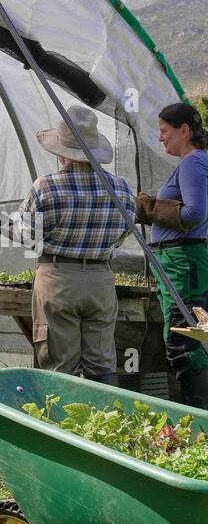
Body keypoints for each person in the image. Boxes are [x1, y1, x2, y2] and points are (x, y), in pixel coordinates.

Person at [2, 105, 135, 383]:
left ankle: (61, 423)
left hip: (58, 280)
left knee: (60, 365)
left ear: (62, 153)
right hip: (100, 280)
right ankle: (106, 420)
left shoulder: (47, 187)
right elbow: (123, 235)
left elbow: (27, 236)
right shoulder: (120, 188)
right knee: (102, 363)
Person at [136, 102, 208, 412]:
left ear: (184, 130)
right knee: (184, 340)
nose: (161, 137)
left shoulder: (193, 163)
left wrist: (153, 209)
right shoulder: (196, 161)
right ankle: (201, 418)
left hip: (183, 264)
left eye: (164, 131)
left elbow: (194, 213)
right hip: (179, 263)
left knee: (184, 344)